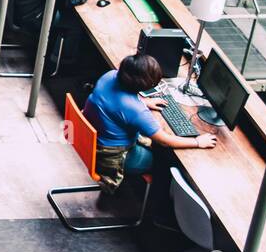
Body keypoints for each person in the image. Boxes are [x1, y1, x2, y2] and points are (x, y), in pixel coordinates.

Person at [83, 54, 216, 199]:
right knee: (165, 160)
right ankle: (158, 211)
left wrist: (143, 101)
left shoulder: (109, 76)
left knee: (154, 145)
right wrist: (197, 142)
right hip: (110, 156)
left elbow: (118, 102)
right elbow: (165, 140)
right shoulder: (135, 110)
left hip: (91, 140)